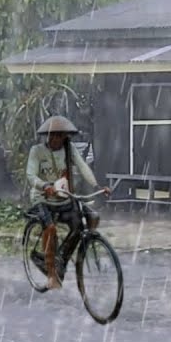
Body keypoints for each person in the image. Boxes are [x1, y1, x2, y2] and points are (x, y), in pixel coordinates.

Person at [25, 116, 108, 290]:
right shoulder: (37, 151)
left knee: (91, 219)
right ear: (47, 136)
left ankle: (62, 257)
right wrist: (44, 185)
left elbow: (83, 166)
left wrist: (97, 185)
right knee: (50, 229)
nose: (56, 139)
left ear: (64, 136)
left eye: (60, 136)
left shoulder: (69, 149)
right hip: (42, 199)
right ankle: (51, 274)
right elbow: (31, 175)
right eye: (52, 136)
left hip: (64, 197)